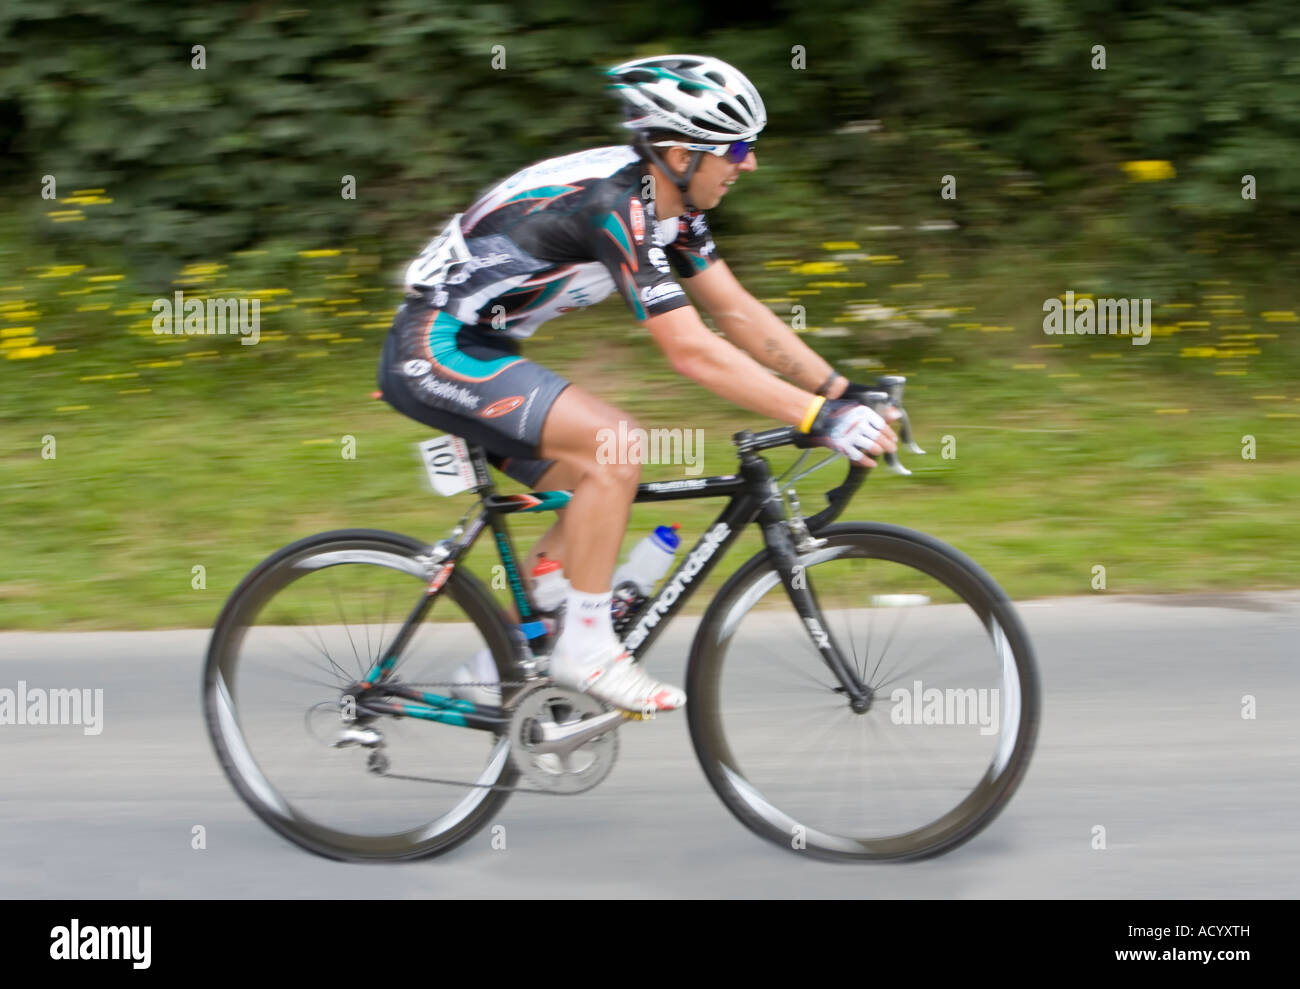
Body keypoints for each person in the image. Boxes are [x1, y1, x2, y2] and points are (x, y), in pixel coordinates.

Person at [376, 54, 897, 715]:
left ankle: (500, 668)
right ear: (679, 152)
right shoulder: (615, 206)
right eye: (735, 148)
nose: (750, 163)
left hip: (482, 347)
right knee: (616, 446)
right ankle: (586, 651)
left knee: (593, 491)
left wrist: (841, 390)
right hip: (437, 348)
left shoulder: (669, 205)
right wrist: (817, 418)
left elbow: (734, 312)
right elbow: (691, 352)